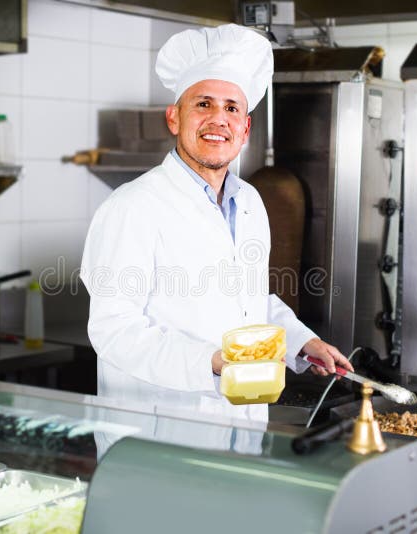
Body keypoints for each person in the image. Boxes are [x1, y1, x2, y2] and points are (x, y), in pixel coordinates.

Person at [80, 23, 353, 423]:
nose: (218, 119)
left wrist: (302, 341)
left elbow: (247, 301)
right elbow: (113, 329)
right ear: (174, 118)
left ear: (245, 128)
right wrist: (212, 361)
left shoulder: (250, 203)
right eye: (203, 104)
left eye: (231, 108)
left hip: (240, 421)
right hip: (158, 433)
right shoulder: (132, 206)